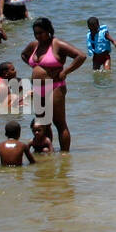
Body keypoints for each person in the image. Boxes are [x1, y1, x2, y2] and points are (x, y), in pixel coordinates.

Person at [22, 17, 86, 152]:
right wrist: (35, 68)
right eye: (36, 33)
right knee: (43, 123)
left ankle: (64, 155)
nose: (38, 36)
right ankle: (47, 152)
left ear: (48, 31)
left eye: (40, 32)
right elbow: (23, 55)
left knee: (59, 123)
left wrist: (66, 71)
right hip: (38, 88)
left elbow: (81, 56)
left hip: (55, 87)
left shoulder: (57, 44)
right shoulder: (34, 45)